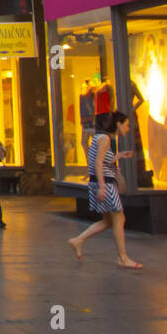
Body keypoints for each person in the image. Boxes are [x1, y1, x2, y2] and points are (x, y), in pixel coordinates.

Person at [68, 112, 142, 268]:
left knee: (109, 220)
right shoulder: (105, 139)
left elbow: (101, 160)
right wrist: (102, 187)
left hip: (101, 182)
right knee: (119, 218)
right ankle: (122, 257)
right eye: (126, 125)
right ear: (118, 124)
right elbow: (98, 163)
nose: (128, 129)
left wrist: (119, 156)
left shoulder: (101, 138)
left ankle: (79, 240)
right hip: (105, 184)